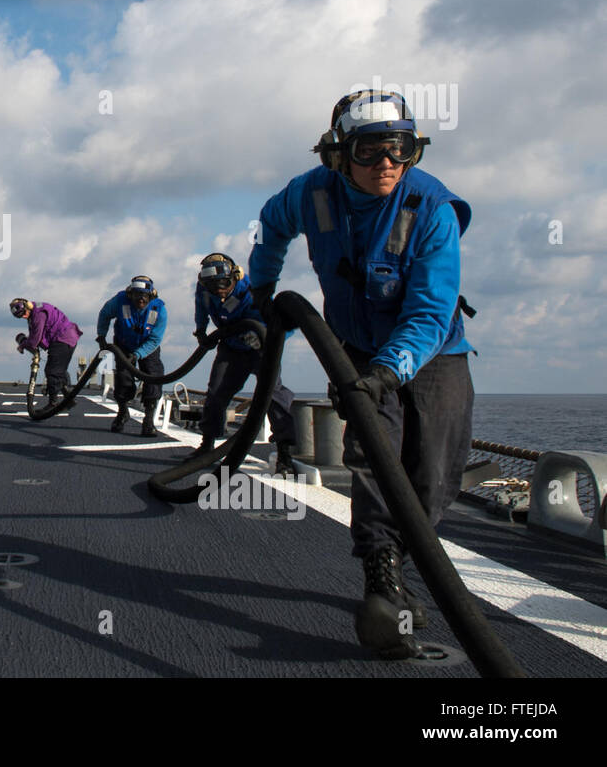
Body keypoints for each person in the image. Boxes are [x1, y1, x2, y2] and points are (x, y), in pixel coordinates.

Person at [248, 88, 474, 659]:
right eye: (372, 151)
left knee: (432, 476)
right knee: (375, 460)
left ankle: (404, 569)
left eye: (401, 150)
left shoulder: (432, 209)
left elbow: (429, 311)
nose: (387, 165)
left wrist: (388, 370)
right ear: (339, 154)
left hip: (434, 353)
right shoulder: (310, 193)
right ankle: (380, 578)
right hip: (353, 346)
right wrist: (262, 287)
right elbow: (271, 226)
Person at [193, 253, 296, 466]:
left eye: (224, 285)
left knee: (273, 394)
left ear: (235, 277)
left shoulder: (253, 290)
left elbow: (285, 324)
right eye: (213, 288)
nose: (219, 292)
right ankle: (207, 443)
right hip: (231, 346)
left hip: (262, 349)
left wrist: (266, 339)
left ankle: (285, 452)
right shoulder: (204, 290)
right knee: (216, 392)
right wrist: (201, 331)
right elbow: (201, 309)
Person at [96, 276, 167, 436]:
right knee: (123, 377)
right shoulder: (120, 301)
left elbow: (156, 338)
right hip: (123, 344)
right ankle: (122, 412)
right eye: (137, 295)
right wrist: (101, 335)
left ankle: (148, 420)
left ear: (150, 296)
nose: (140, 299)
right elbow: (105, 313)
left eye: (144, 296)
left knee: (153, 376)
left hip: (149, 346)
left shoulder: (159, 310)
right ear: (130, 294)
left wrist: (138, 355)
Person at [10, 298, 83, 410]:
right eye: (20, 316)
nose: (24, 316)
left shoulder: (38, 315)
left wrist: (22, 345)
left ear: (27, 306)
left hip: (63, 339)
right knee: (58, 371)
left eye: (24, 313)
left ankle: (53, 404)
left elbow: (35, 340)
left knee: (52, 371)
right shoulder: (33, 314)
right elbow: (35, 336)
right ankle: (69, 399)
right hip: (66, 338)